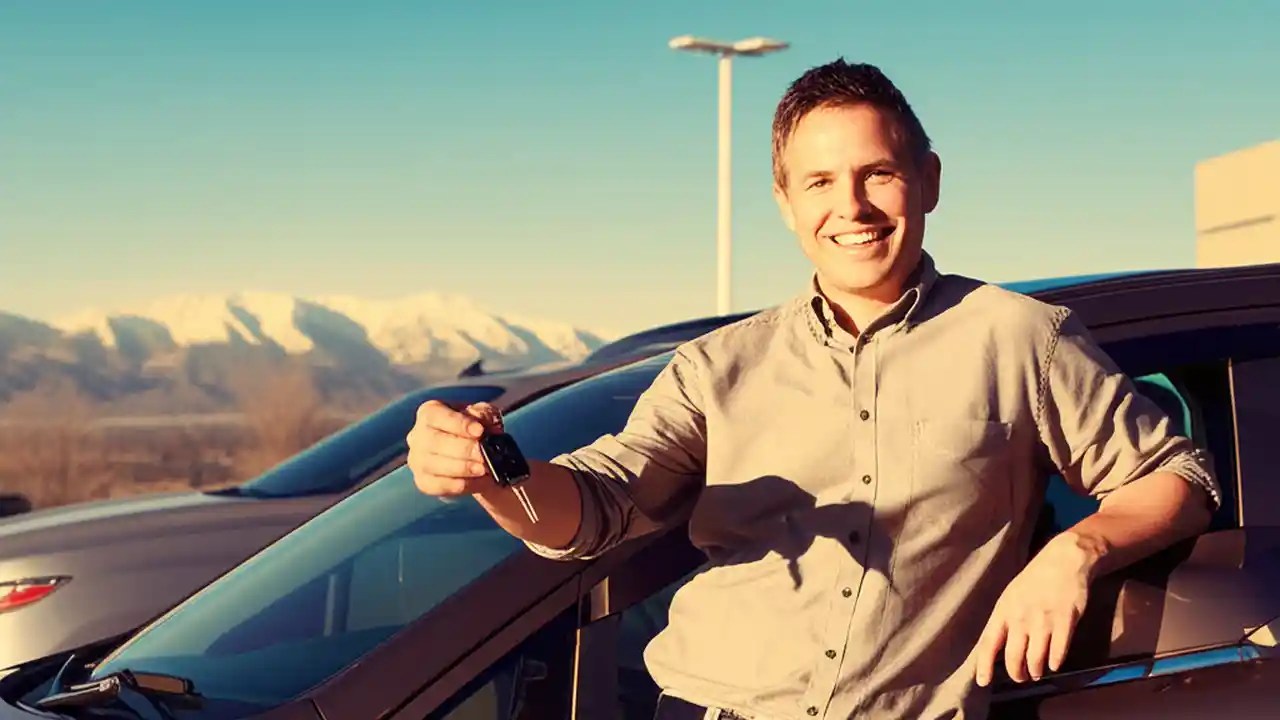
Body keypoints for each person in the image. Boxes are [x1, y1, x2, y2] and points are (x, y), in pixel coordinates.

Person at [407, 59, 1220, 720]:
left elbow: (1175, 476)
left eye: (878, 174)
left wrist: (1073, 551)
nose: (852, 206)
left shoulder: (1021, 339)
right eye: (820, 182)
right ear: (786, 203)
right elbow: (597, 506)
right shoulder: (717, 367)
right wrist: (492, 476)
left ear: (929, 180)